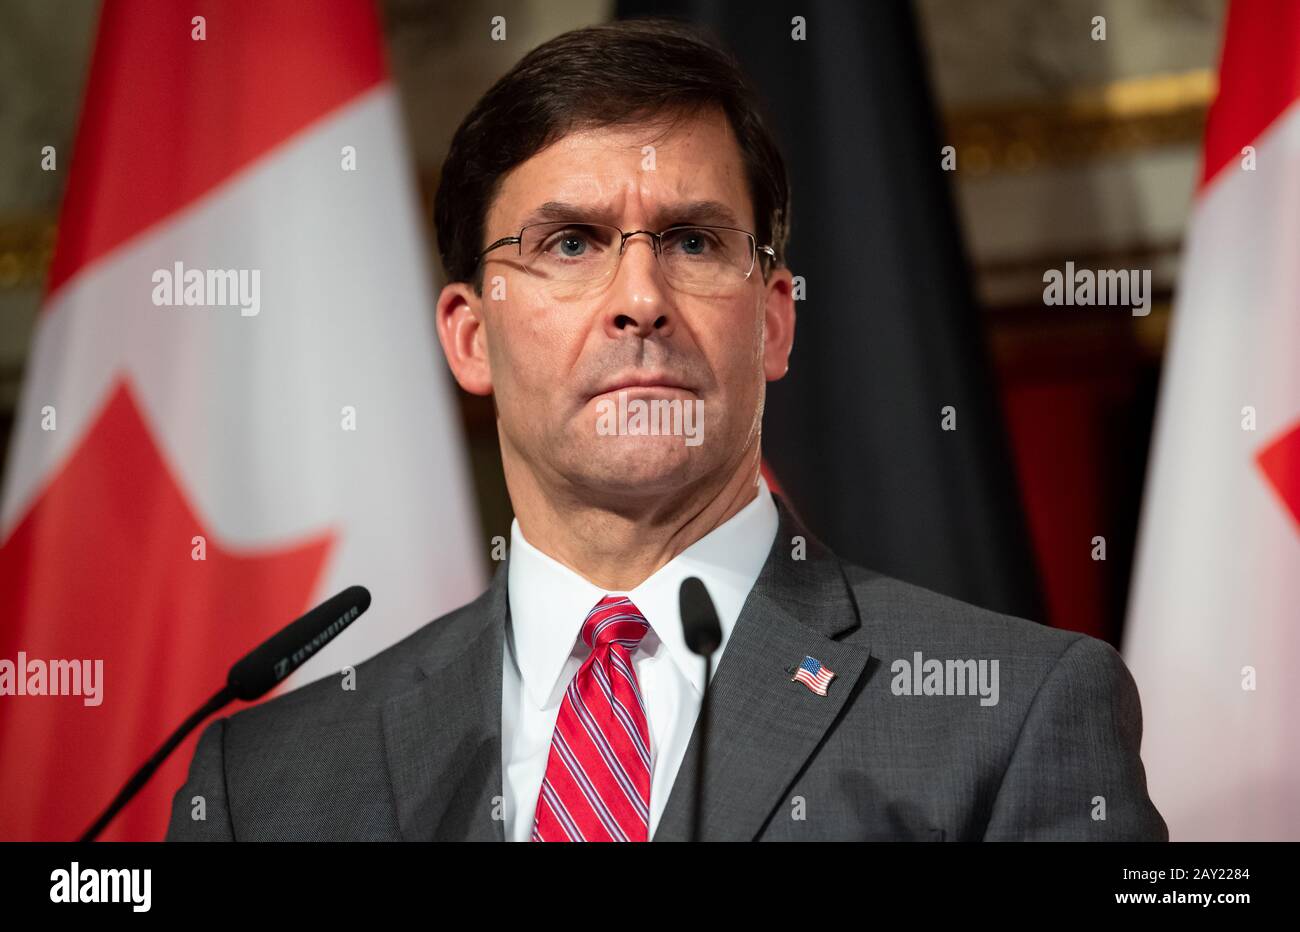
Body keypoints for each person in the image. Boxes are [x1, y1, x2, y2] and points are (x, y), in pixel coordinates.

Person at [167, 18, 1166, 842]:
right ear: (470, 337)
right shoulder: (265, 786)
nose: (639, 298)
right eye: (569, 242)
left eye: (692, 240)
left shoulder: (1008, 716)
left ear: (772, 319)